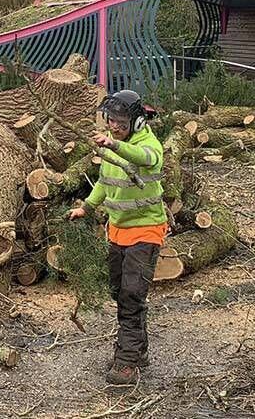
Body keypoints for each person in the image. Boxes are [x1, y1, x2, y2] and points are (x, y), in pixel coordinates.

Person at [67, 90, 166, 385]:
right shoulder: (112, 145)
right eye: (111, 121)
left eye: (121, 123)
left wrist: (115, 145)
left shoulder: (149, 145)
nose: (114, 127)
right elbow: (104, 181)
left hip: (146, 230)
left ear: (136, 122)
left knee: (131, 294)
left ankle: (127, 361)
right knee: (119, 291)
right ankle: (138, 349)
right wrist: (86, 207)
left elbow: (146, 158)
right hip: (118, 231)